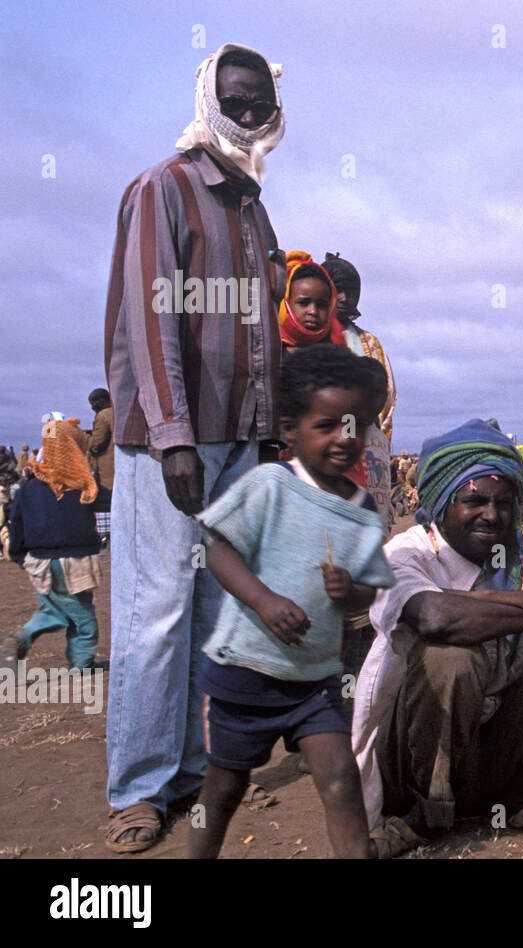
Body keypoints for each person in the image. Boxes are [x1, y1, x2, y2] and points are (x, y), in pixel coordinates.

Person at [103, 42, 286, 854]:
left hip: (239, 444)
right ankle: (139, 792)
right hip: (171, 443)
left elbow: (261, 334)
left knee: (215, 611)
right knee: (156, 613)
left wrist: (268, 437)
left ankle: (192, 774)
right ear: (209, 98)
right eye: (235, 100)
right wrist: (174, 435)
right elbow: (151, 321)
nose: (248, 115)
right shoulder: (164, 189)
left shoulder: (252, 206)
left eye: (259, 103)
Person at [353, 420, 523, 857]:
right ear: (442, 501)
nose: (492, 515)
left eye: (503, 502)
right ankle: (426, 813)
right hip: (411, 749)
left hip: (496, 745)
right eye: (474, 500)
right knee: (451, 656)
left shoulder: (521, 552)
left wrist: (491, 601)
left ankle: (519, 796)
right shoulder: (407, 553)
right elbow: (436, 617)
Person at [187, 345, 395, 858]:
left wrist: (353, 591)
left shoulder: (363, 508)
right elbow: (220, 553)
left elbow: (371, 588)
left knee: (341, 780)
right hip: (244, 676)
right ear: (290, 428)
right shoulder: (270, 484)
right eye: (327, 425)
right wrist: (262, 600)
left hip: (314, 683)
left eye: (356, 425)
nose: (345, 439)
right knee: (223, 790)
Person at [2, 419, 102, 672]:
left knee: (51, 611)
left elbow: (17, 523)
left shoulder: (29, 487)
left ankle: (19, 639)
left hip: (39, 561)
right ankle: (82, 666)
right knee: (83, 620)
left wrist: (17, 554)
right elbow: (110, 505)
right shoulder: (84, 485)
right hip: (75, 562)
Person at [321, 253, 396, 441]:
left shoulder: (370, 342)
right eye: (338, 290)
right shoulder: (304, 338)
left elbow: (386, 400)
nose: (345, 298)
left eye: (351, 292)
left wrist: (376, 440)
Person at [86, 388, 114, 545]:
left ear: (101, 400)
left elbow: (96, 445)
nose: (92, 407)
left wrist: (82, 436)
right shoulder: (115, 411)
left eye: (93, 402)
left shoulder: (103, 415)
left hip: (106, 472)